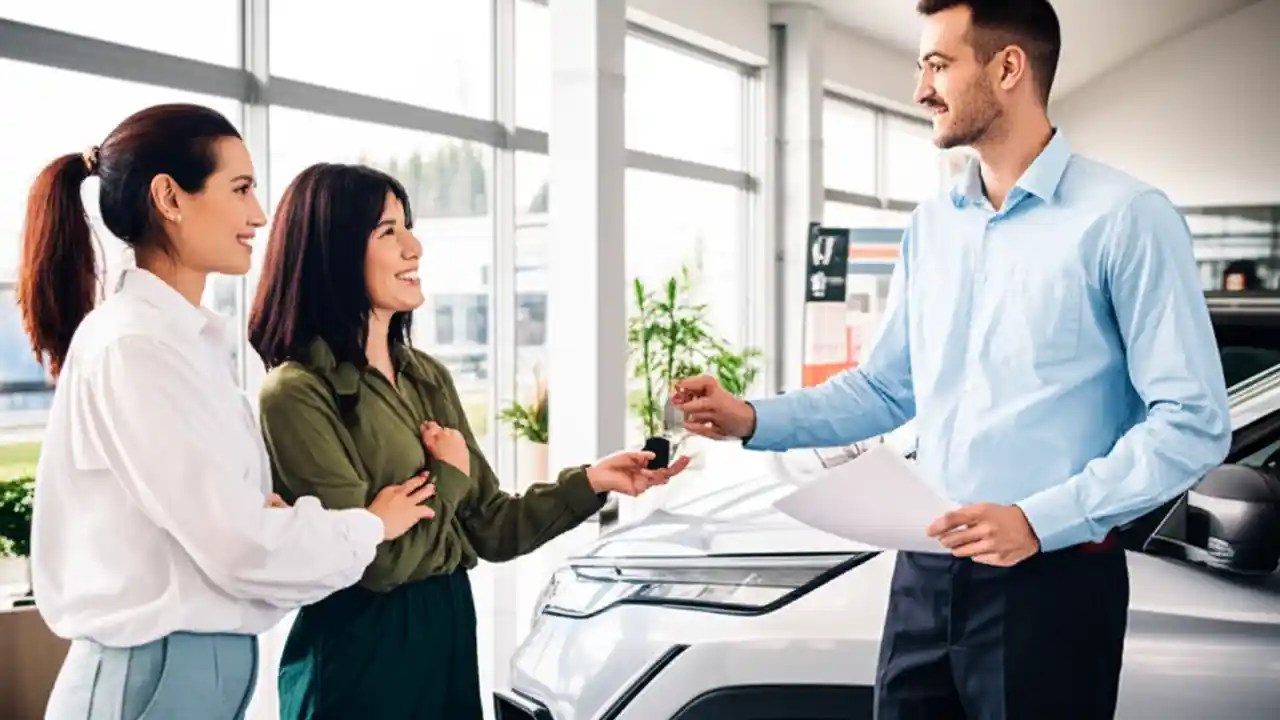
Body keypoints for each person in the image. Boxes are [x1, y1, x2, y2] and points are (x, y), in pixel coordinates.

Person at [674, 1, 1230, 718]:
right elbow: (885, 387)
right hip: (924, 575)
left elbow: (1192, 420)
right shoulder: (932, 226)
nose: (920, 90)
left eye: (938, 65)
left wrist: (1037, 520)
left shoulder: (1126, 218)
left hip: (1053, 585)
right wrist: (750, 416)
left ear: (1007, 68)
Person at [17, 104, 438, 720]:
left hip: (184, 674)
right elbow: (241, 543)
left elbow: (238, 534)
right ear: (170, 197)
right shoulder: (135, 347)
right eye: (240, 189)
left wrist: (270, 524)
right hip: (149, 679)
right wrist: (368, 525)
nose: (258, 214)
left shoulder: (181, 345)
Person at [247, 162, 689, 720]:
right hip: (359, 655)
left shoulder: (425, 375)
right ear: (332, 251)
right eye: (389, 232)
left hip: (448, 627)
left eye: (408, 225)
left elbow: (491, 527)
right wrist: (448, 478)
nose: (415, 247)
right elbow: (371, 564)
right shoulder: (294, 393)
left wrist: (594, 481)